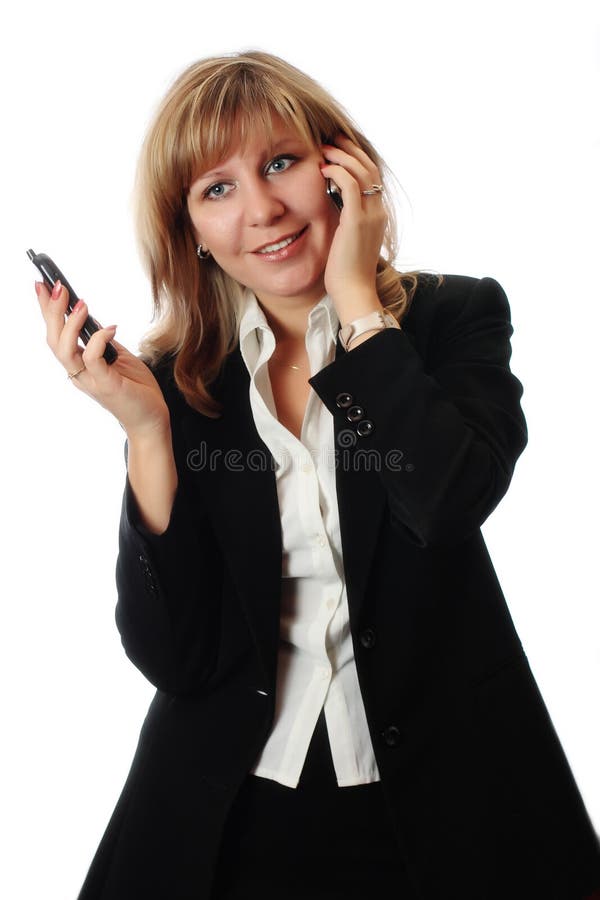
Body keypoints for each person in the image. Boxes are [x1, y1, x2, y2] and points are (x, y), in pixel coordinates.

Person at [35, 51, 600, 900]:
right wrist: (147, 433)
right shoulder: (180, 380)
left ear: (343, 167)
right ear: (188, 228)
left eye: (280, 163)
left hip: (449, 813)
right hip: (227, 820)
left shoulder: (454, 320)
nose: (262, 209)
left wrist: (358, 305)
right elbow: (176, 660)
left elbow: (446, 500)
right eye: (216, 189)